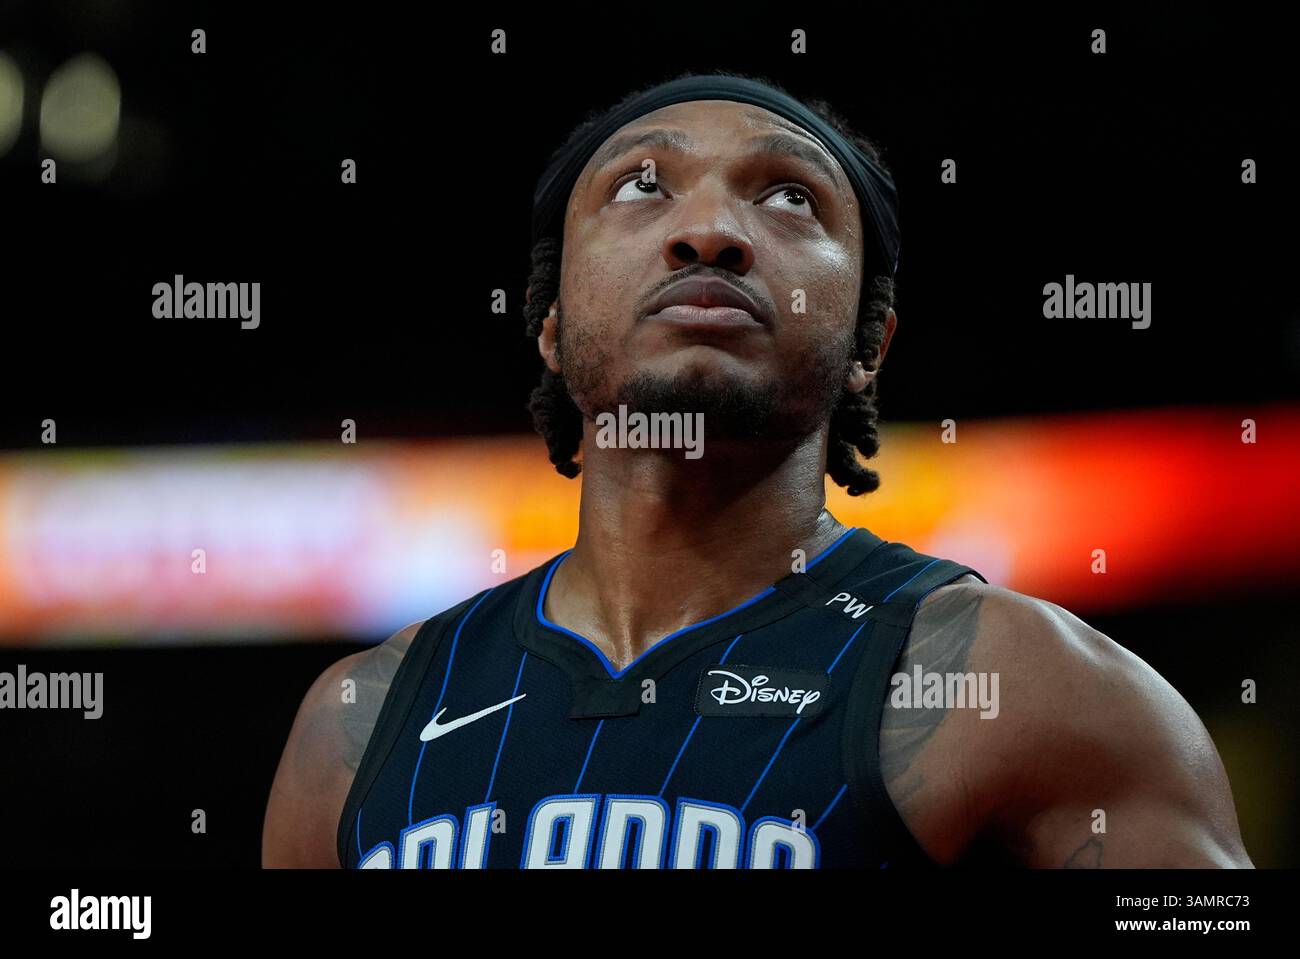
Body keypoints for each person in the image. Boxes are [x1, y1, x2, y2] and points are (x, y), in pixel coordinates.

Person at [263, 72, 1252, 869]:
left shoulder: (1032, 688)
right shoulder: (358, 720)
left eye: (789, 197)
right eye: (641, 186)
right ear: (550, 327)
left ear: (870, 344)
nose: (709, 234)